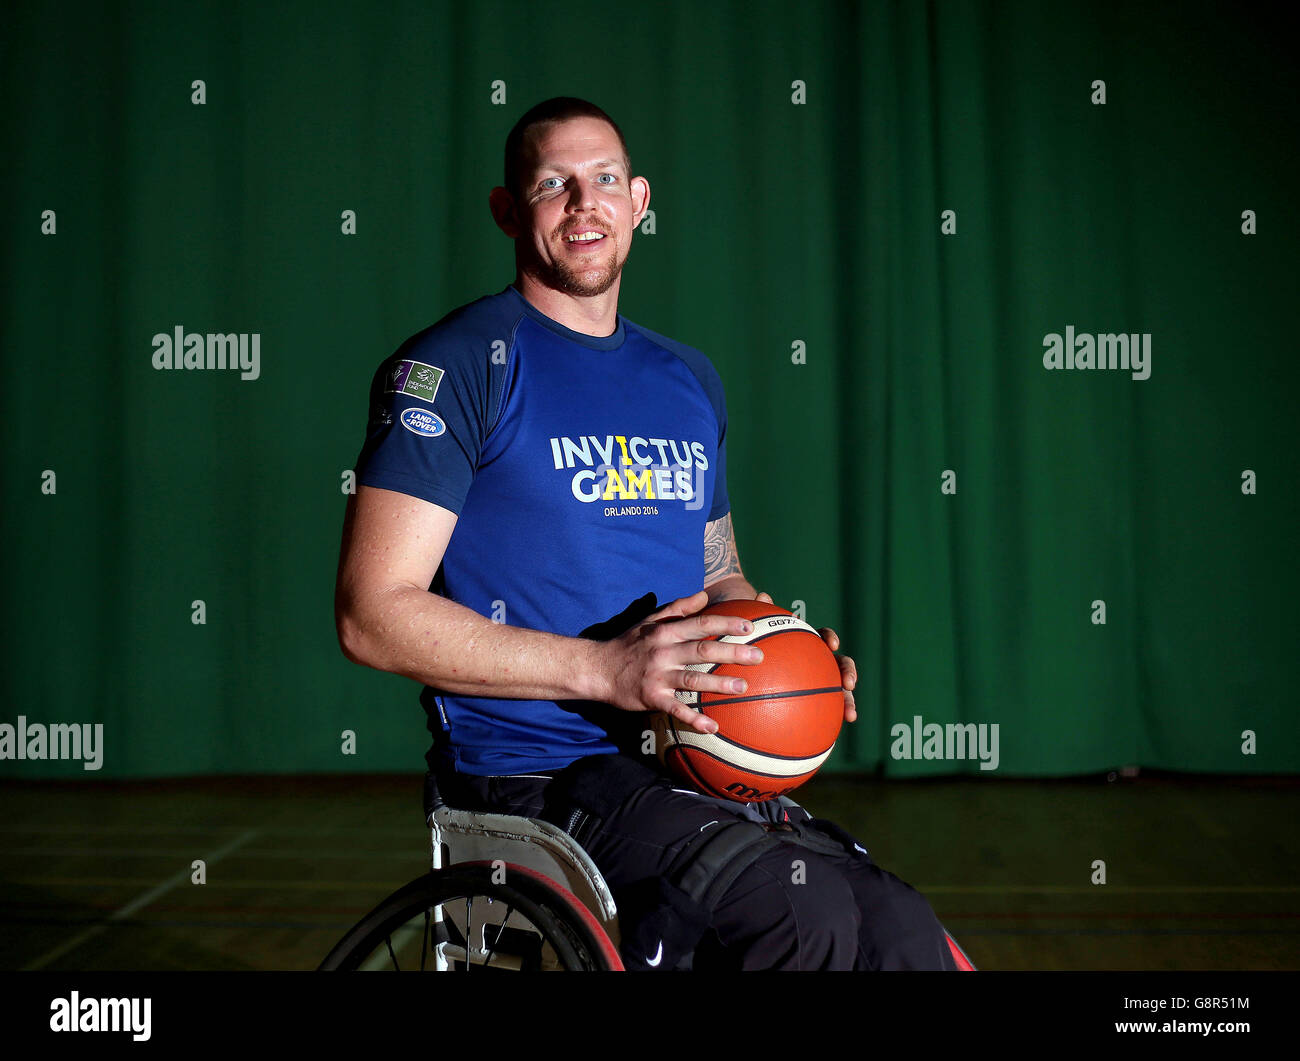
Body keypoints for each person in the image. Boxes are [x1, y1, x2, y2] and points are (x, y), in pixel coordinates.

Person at [335, 96, 961, 970]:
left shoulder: (687, 379)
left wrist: (783, 655)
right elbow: (372, 615)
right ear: (509, 211)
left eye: (602, 181)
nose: (583, 203)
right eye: (554, 184)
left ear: (638, 200)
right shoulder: (455, 367)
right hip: (537, 774)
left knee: (897, 922)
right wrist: (605, 670)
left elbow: (721, 576)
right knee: (797, 910)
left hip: (682, 761)